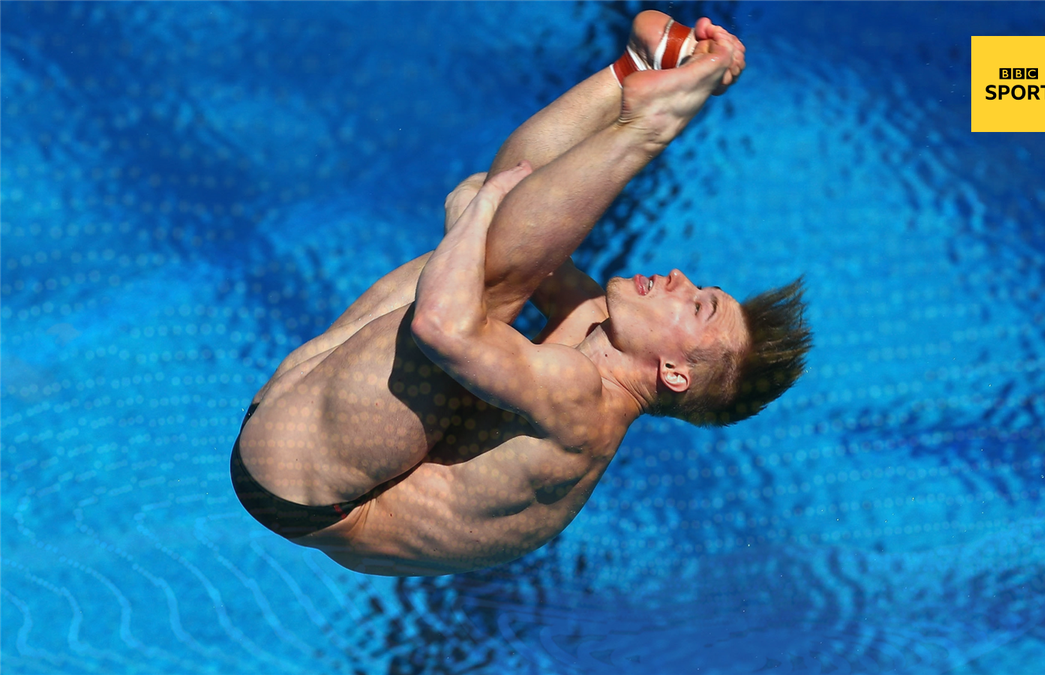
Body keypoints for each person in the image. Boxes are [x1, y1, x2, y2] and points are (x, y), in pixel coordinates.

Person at [231, 11, 810, 576]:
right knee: (494, 257)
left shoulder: (583, 402)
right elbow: (511, 203)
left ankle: (647, 128)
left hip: (300, 480)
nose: (682, 279)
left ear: (673, 373)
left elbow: (442, 323)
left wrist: (476, 215)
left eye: (698, 306)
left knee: (478, 278)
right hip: (302, 430)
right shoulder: (591, 334)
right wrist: (481, 212)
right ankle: (636, 68)